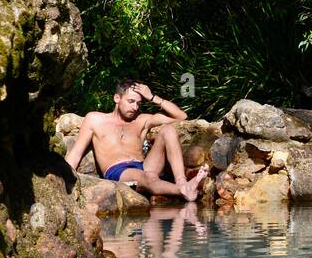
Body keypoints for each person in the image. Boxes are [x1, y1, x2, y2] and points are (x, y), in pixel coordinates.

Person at [64, 80, 209, 201]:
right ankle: (182, 190)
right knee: (146, 176)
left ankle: (182, 182)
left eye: (138, 103)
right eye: (131, 101)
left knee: (168, 130)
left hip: (143, 166)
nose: (135, 107)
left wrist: (152, 97)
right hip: (118, 171)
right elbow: (76, 153)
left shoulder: (141, 120)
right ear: (117, 98)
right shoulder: (95, 119)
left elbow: (181, 117)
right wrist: (63, 180)